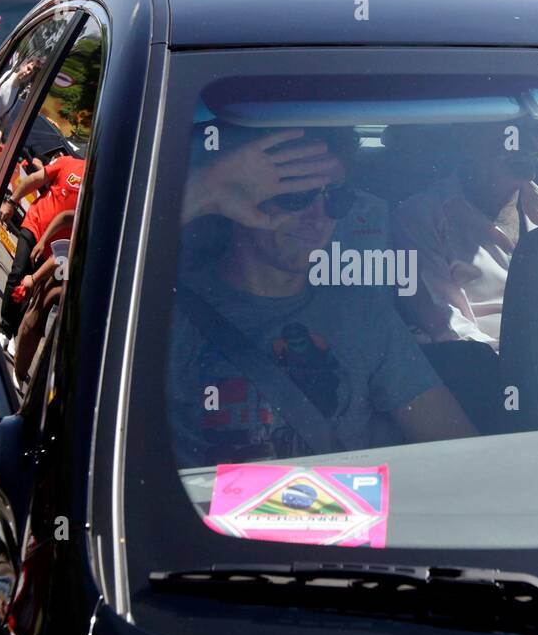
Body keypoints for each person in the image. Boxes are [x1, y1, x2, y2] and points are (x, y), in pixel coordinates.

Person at [168, 127, 477, 466]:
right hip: (198, 517)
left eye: (334, 199)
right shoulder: (165, 311)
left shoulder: (362, 315)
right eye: (296, 194)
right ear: (241, 196)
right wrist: (202, 190)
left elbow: (460, 453)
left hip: (343, 513)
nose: (318, 219)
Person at [392, 120, 538, 350]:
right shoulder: (421, 216)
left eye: (537, 129)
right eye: (512, 130)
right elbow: (442, 322)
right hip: (479, 368)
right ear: (469, 138)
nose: (530, 142)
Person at [0, 150, 85, 340]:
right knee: (19, 272)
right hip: (35, 225)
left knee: (35, 292)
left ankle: (15, 334)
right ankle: (4, 329)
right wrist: (11, 201)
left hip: (57, 249)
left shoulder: (101, 189)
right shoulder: (68, 163)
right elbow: (36, 179)